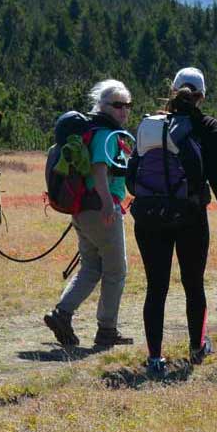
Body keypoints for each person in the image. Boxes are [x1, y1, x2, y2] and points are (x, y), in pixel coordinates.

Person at [132, 68, 217, 376]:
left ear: (172, 91)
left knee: (155, 287)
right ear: (201, 96)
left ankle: (155, 357)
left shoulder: (150, 125)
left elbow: (133, 176)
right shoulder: (208, 126)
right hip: (190, 215)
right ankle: (197, 346)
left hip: (149, 215)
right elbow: (210, 172)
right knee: (193, 283)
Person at [45, 80, 137, 349]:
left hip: (83, 209)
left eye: (127, 105)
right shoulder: (105, 134)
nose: (123, 111)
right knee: (116, 270)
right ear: (103, 106)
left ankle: (62, 313)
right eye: (117, 105)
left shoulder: (96, 130)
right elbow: (99, 170)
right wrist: (109, 203)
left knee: (91, 266)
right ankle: (107, 330)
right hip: (100, 209)